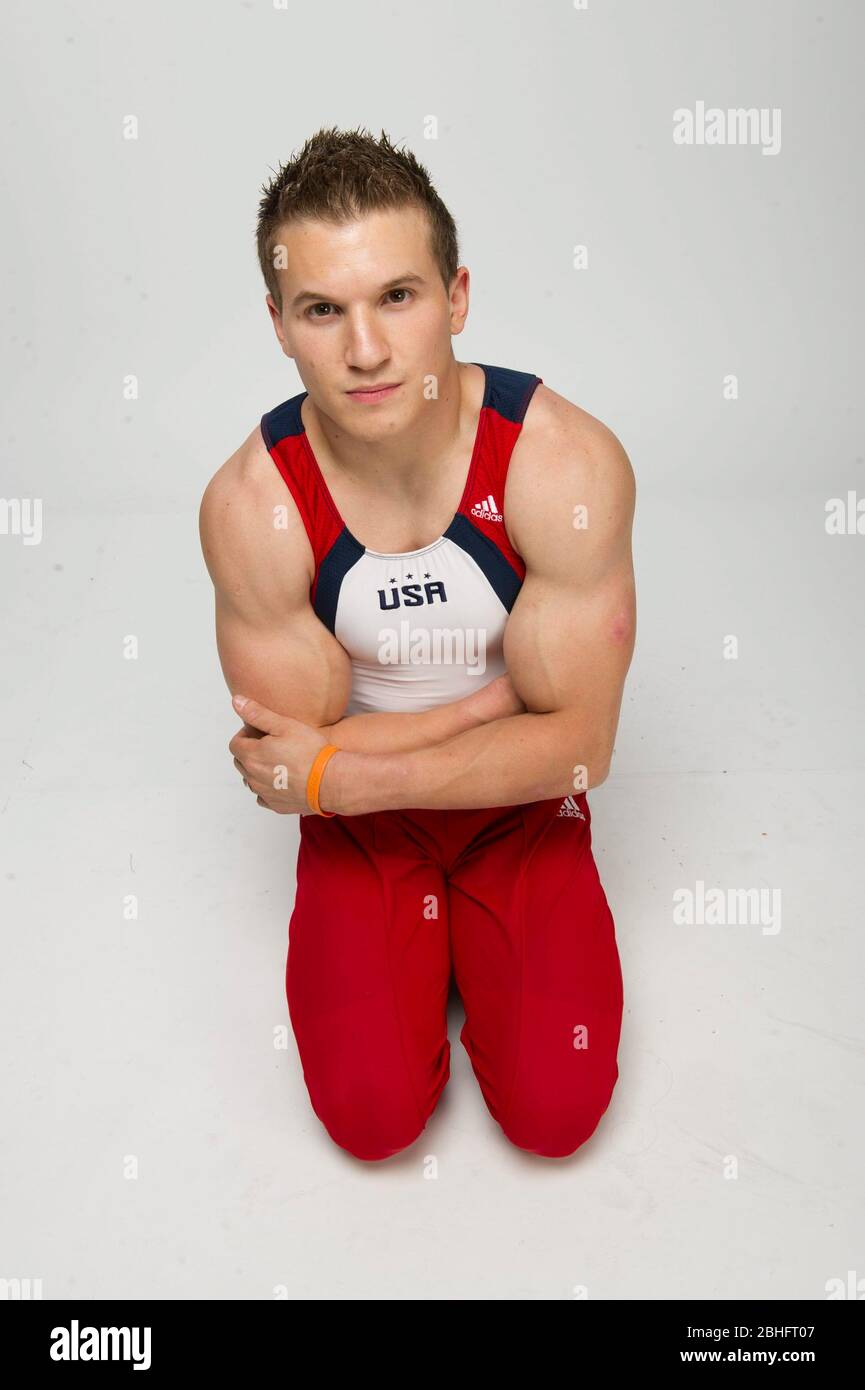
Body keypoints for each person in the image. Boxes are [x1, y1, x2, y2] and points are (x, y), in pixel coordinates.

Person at [199, 126, 636, 1162]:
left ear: (457, 296)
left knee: (554, 1114)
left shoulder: (560, 464)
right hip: (369, 835)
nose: (364, 350)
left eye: (397, 296)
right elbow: (281, 766)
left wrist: (342, 778)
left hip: (514, 814)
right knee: (370, 1120)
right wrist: (496, 710)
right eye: (322, 309)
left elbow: (581, 752)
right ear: (278, 324)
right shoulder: (253, 506)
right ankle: (415, 928)